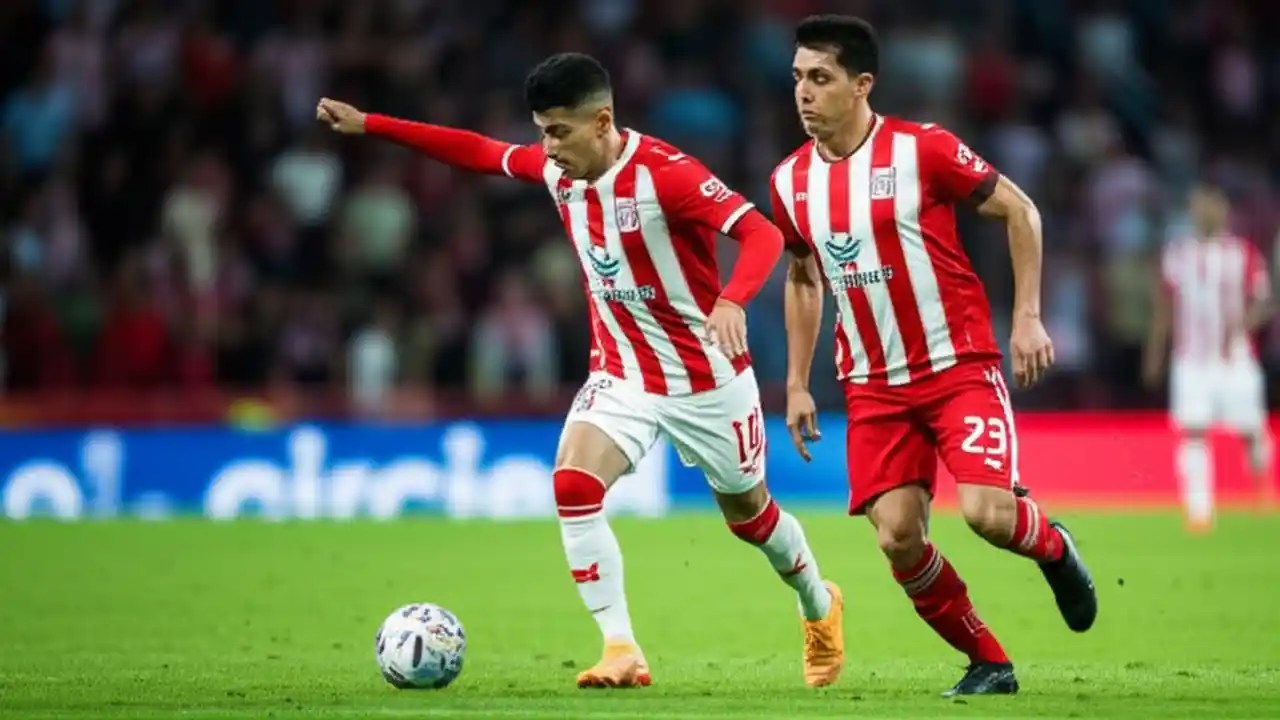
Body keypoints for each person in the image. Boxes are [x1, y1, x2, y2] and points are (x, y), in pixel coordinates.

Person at [317, 52, 845, 689]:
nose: (546, 146)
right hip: (621, 372)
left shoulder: (666, 176)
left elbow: (760, 234)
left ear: (601, 121)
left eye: (558, 131)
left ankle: (819, 603)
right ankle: (621, 648)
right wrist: (371, 123)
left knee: (752, 519)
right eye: (540, 130)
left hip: (704, 379)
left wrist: (732, 300)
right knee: (572, 486)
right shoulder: (555, 169)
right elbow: (479, 152)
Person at [771, 15, 1097, 696]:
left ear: (862, 85)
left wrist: (1027, 317)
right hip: (871, 385)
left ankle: (1055, 547)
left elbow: (1020, 211)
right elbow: (802, 278)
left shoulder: (923, 150)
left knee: (987, 515)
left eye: (820, 78)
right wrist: (798, 381)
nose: (804, 92)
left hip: (956, 367)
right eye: (798, 77)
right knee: (896, 538)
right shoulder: (789, 182)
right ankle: (990, 662)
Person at [1142, 182, 1275, 531]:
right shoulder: (1178, 254)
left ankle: (1262, 490)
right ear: (1192, 214)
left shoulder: (1243, 253)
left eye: (1211, 207)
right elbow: (1164, 308)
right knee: (1193, 432)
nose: (1205, 214)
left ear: (1224, 213)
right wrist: (1155, 353)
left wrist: (1245, 323)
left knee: (1251, 431)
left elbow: (1264, 301)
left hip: (1235, 359)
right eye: (1199, 208)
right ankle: (1199, 511)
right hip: (1191, 360)